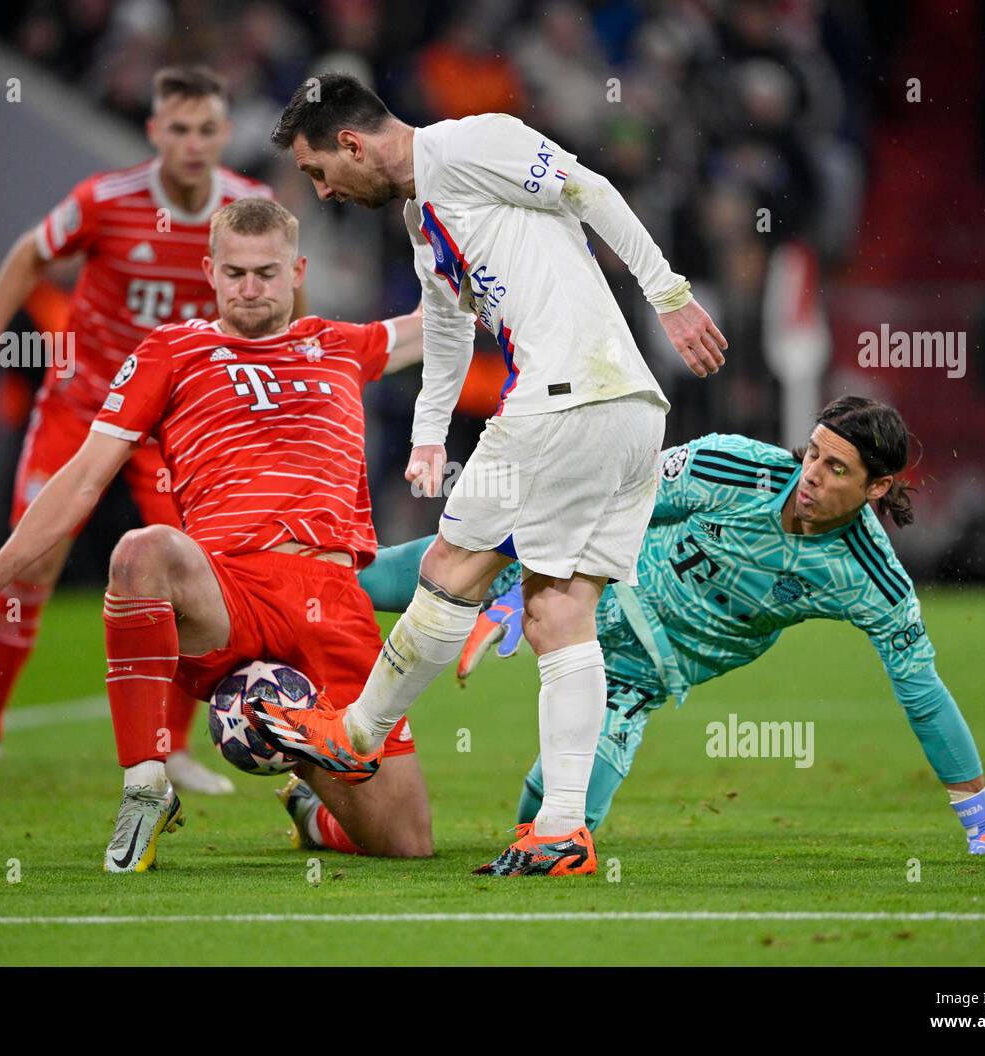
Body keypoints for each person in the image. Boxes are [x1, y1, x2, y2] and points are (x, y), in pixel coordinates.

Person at [260, 72, 728, 876]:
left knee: (449, 570)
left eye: (316, 172)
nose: (322, 192)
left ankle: (357, 735)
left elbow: (592, 187)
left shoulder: (474, 141)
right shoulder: (423, 215)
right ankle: (562, 829)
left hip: (564, 400)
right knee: (559, 613)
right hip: (626, 416)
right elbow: (446, 326)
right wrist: (431, 435)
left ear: (350, 142)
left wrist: (670, 294)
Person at [0, 198, 431, 872]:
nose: (250, 288)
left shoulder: (341, 342)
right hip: (227, 592)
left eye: (266, 272)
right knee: (143, 550)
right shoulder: (171, 350)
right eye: (235, 274)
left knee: (406, 844)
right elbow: (82, 478)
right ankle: (146, 784)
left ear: (297, 271)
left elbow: (447, 325)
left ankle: (312, 798)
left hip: (335, 602)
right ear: (210, 272)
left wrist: (443, 244)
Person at [350, 397, 985, 856]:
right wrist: (522, 580)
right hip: (574, 582)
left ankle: (332, 811)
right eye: (813, 452)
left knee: (557, 819)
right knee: (402, 573)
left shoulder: (870, 579)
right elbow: (613, 503)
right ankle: (281, 589)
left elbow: (922, 692)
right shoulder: (734, 465)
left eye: (835, 467)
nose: (810, 473)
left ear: (876, 490)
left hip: (632, 680)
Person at [0, 65, 290, 797]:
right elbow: (31, 252)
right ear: (154, 132)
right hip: (84, 406)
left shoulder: (248, 212)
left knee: (198, 576)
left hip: (178, 422)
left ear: (225, 134)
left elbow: (282, 300)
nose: (192, 143)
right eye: (178, 128)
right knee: (31, 566)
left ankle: (179, 747)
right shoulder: (105, 200)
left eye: (206, 129)